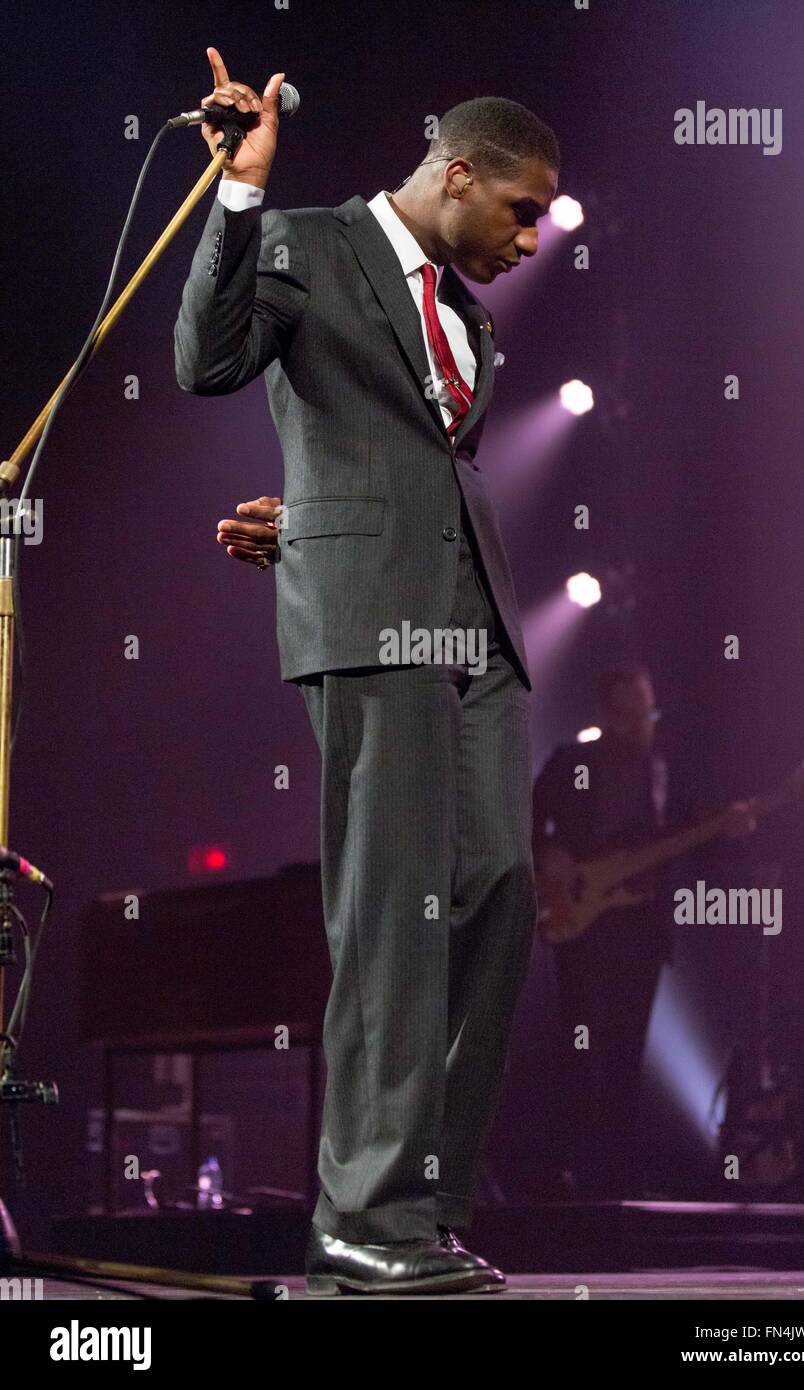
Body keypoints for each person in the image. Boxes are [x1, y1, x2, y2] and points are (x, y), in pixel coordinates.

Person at [175, 46, 560, 1294]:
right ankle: (361, 1222)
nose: (530, 239)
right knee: (395, 919)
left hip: (474, 627)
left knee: (497, 885)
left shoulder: (466, 317)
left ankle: (422, 1208)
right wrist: (237, 194)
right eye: (519, 211)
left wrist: (304, 519)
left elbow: (405, 469)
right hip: (376, 630)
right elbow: (211, 357)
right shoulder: (306, 243)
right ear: (457, 173)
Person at [531, 664, 755, 1198]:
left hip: (639, 931)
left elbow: (692, 835)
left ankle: (614, 1187)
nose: (642, 723)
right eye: (631, 712)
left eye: (647, 711)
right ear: (607, 713)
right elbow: (528, 817)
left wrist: (735, 828)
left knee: (626, 1056)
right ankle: (565, 1176)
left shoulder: (664, 772)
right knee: (579, 1052)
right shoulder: (571, 764)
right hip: (584, 927)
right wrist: (550, 854)